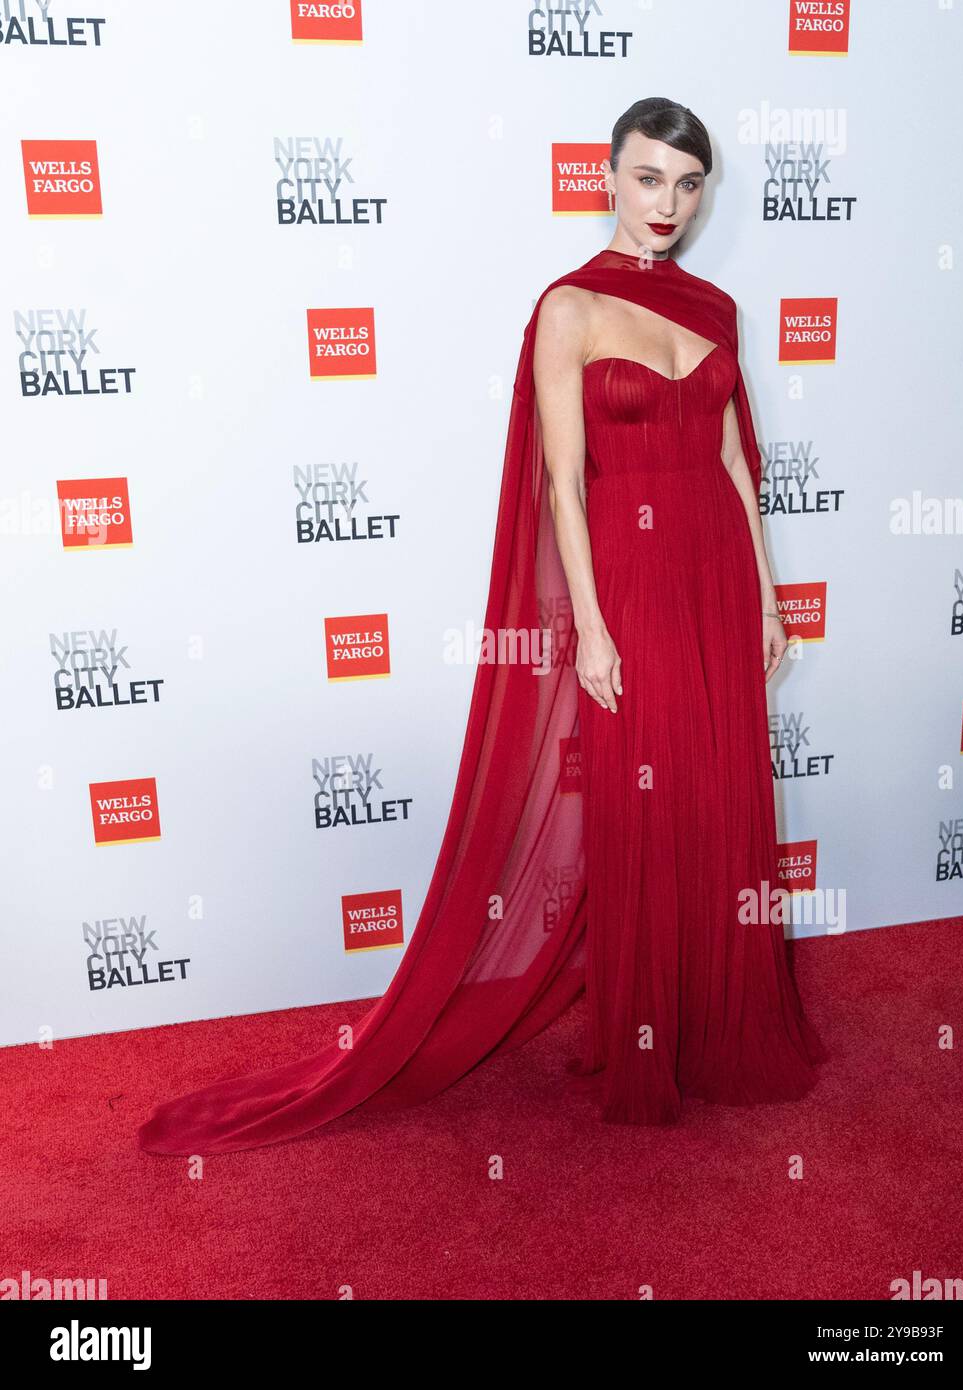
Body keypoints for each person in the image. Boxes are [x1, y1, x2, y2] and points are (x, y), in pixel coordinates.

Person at [138, 97, 827, 1158]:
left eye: (688, 186)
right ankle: (651, 1041)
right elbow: (562, 484)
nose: (668, 205)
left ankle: (723, 1023)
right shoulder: (569, 309)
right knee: (647, 804)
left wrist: (773, 596)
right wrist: (591, 628)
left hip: (720, 580)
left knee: (719, 792)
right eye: (648, 179)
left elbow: (739, 464)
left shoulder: (718, 308)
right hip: (634, 584)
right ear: (608, 176)